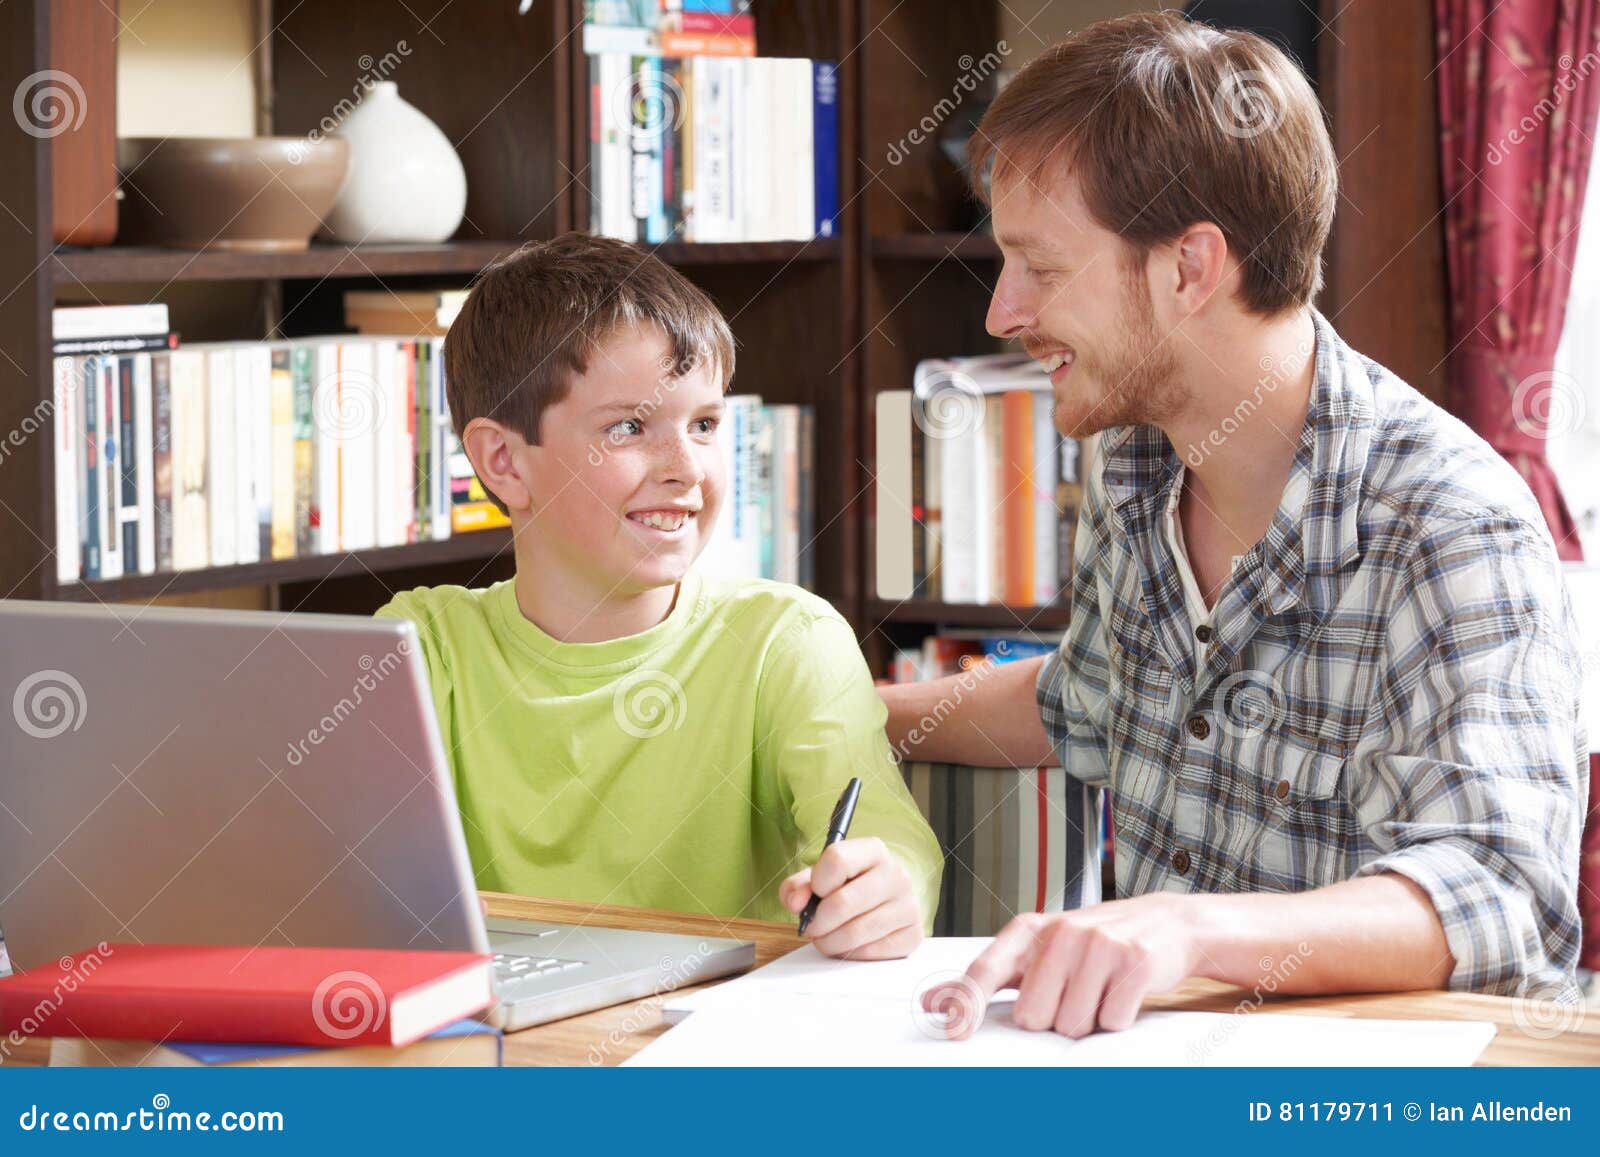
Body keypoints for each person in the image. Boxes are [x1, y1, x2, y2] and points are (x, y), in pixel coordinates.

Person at [890, 12, 1586, 1036]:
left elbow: (1494, 888)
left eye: (1040, 266)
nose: (1002, 312)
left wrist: (1185, 930)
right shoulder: (1134, 467)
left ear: (1189, 269)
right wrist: (821, 698)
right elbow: (1083, 698)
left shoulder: (1449, 521)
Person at [378, 233, 941, 959]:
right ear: (505, 462)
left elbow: (890, 839)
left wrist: (885, 887)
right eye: (630, 427)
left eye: (704, 424)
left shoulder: (784, 641)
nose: (686, 469)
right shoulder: (420, 648)